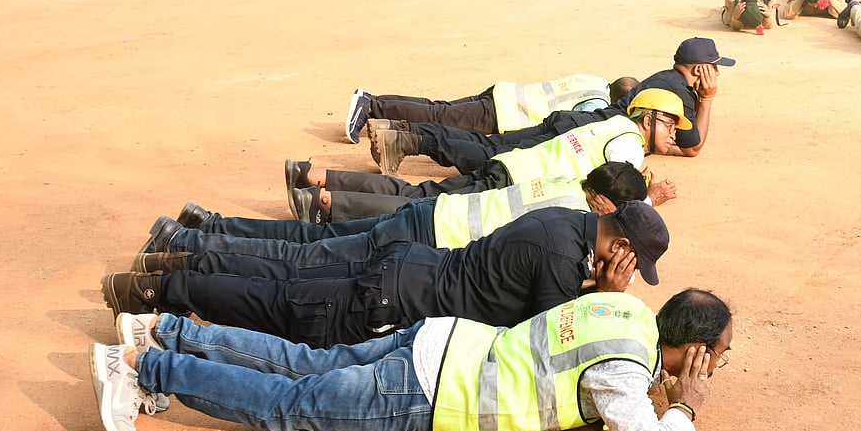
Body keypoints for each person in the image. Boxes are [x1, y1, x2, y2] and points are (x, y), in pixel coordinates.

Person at [89, 287, 733, 431]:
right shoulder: (626, 370)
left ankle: (164, 329)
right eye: (718, 357)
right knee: (291, 405)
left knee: (300, 362)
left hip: (440, 339)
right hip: (433, 392)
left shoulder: (627, 312)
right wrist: (689, 410)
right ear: (697, 350)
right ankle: (140, 368)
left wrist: (659, 383)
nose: (716, 369)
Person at [101, 200, 669, 349]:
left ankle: (174, 265)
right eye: (632, 264)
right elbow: (547, 339)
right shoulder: (561, 263)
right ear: (618, 244)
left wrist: (592, 282)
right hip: (393, 302)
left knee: (285, 274)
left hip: (408, 267)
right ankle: (158, 289)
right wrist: (608, 296)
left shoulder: (567, 224)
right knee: (274, 304)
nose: (630, 275)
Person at [132, 162, 657, 275]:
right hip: (429, 237)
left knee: (307, 238)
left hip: (431, 215)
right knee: (304, 254)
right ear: (604, 206)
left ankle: (206, 224)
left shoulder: (566, 186)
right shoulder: (571, 218)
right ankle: (189, 243)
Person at [295, 88, 690, 219]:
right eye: (671, 123)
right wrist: (649, 200)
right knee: (426, 205)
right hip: (521, 186)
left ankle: (319, 180)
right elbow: (615, 207)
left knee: (425, 196)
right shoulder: (629, 146)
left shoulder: (612, 123)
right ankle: (327, 202)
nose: (674, 133)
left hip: (514, 166)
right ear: (649, 117)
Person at [367, 37, 733, 170]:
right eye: (714, 68)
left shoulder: (661, 79)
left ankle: (401, 133)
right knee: (489, 153)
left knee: (484, 143)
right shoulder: (681, 95)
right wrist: (709, 99)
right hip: (578, 132)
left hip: (569, 122)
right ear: (701, 69)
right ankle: (405, 136)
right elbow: (693, 147)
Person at [345, 74, 632, 144]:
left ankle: (373, 101)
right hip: (504, 113)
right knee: (439, 115)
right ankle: (370, 105)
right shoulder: (598, 104)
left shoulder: (596, 82)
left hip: (504, 94)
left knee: (439, 110)